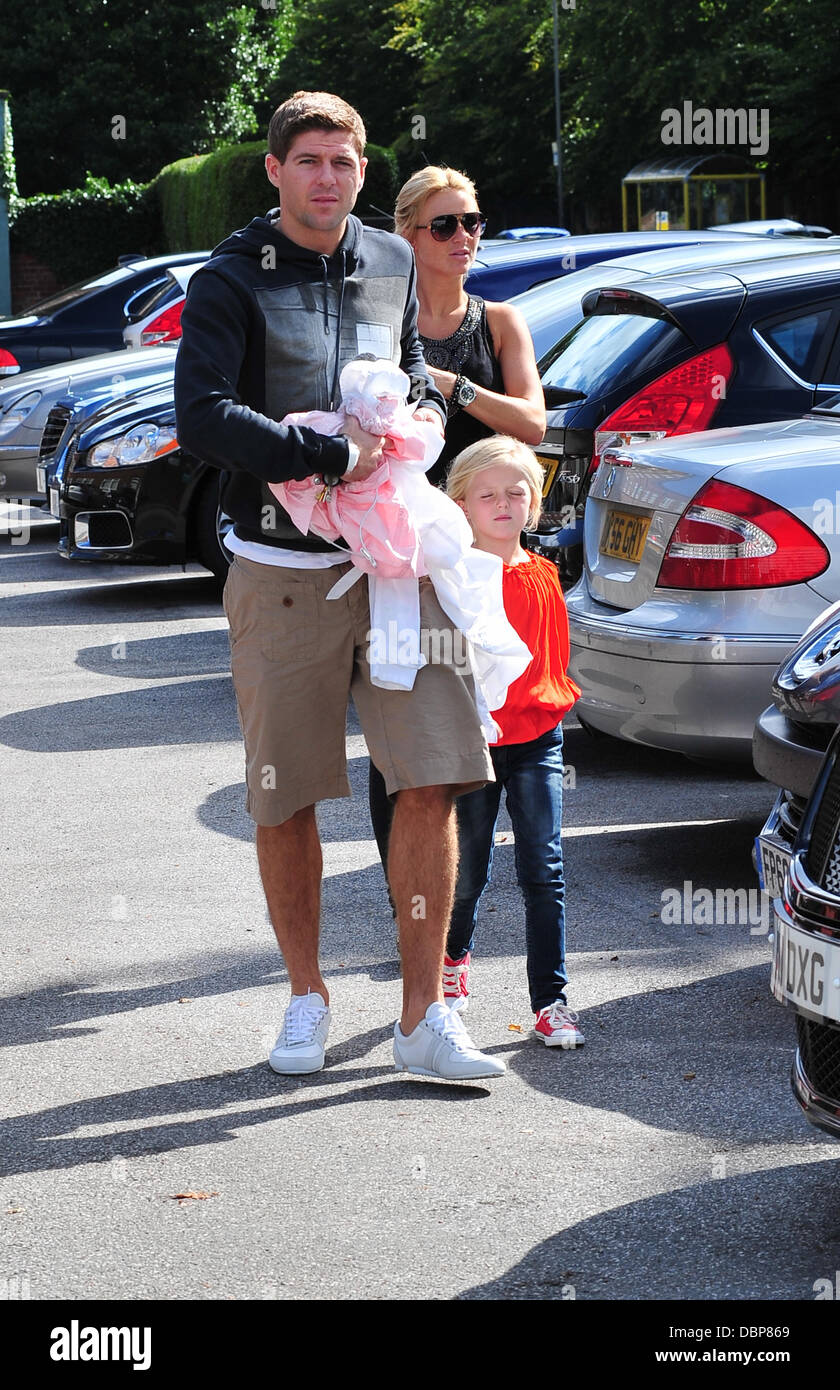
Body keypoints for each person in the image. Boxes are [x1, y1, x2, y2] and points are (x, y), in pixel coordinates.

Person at [174, 91, 505, 1082]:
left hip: (396, 562)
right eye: (310, 160)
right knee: (285, 795)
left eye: (345, 161)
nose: (328, 177)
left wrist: (409, 419)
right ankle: (307, 998)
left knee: (435, 773)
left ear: (365, 171)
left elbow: (405, 367)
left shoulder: (394, 259)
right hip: (280, 570)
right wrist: (318, 451)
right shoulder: (230, 278)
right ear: (274, 170)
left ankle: (421, 1018)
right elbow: (202, 416)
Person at [368, 165, 546, 870]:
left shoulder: (499, 322)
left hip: (484, 558)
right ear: (407, 235)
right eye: (445, 224)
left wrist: (451, 384)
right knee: (406, 733)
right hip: (404, 558)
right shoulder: (381, 324)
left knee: (488, 727)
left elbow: (532, 422)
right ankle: (411, 901)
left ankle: (451, 916)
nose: (464, 236)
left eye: (473, 222)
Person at [443, 435, 584, 1047]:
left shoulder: (546, 574)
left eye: (516, 492)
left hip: (538, 741)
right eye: (487, 494)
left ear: (534, 501)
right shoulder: (449, 578)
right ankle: (448, 972)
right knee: (467, 870)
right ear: (462, 505)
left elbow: (552, 666)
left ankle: (550, 1001)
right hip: (473, 742)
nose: (503, 503)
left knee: (543, 868)